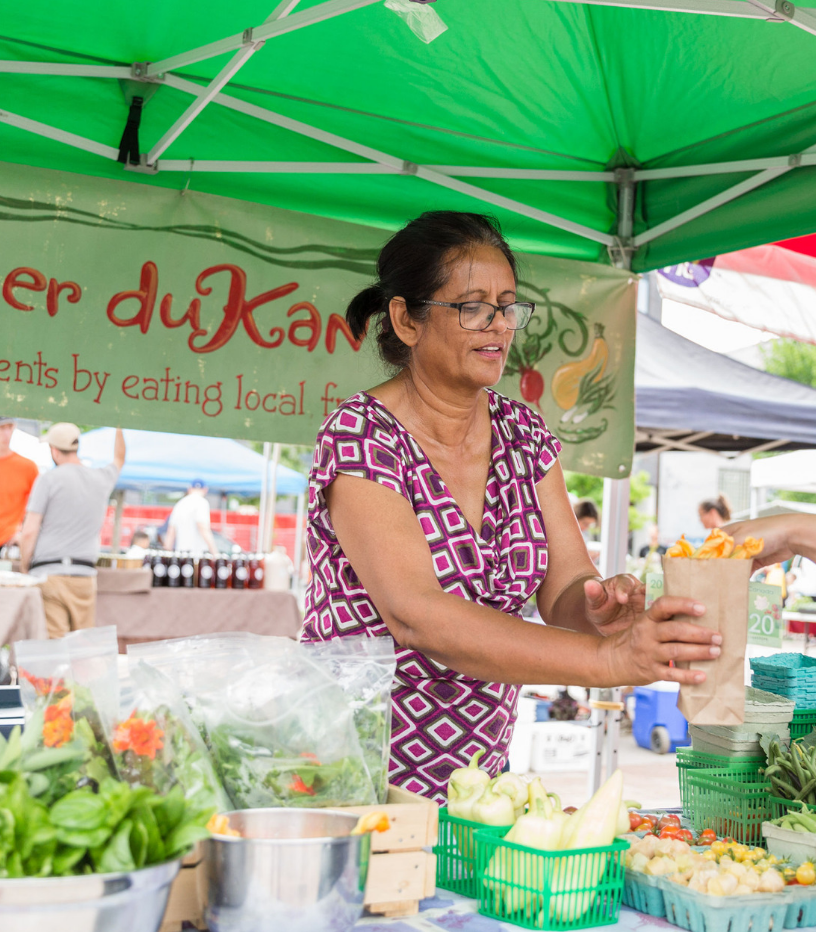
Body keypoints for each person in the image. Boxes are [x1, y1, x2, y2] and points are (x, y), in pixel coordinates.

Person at [300, 210, 720, 801]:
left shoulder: (523, 432)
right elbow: (416, 614)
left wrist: (600, 609)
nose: (499, 325)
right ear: (406, 319)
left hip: (478, 774)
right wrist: (606, 661)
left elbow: (566, 585)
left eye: (508, 306)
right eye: (473, 306)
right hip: (354, 770)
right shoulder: (361, 435)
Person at [19, 423, 126, 638]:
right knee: (82, 648)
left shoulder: (48, 479)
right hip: (85, 577)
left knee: (54, 649)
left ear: (54, 451)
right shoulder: (100, 478)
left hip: (49, 575)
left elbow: (29, 531)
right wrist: (119, 425)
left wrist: (24, 567)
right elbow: (119, 459)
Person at [0, 416, 39, 549]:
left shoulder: (27, 467)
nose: (6, 434)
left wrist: (23, 531)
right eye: (1, 428)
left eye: (9, 427)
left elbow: (40, 506)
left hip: (10, 543)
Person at [164, 480, 218, 557]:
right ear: (205, 489)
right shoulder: (202, 503)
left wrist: (167, 554)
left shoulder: (180, 504)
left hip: (181, 554)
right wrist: (215, 553)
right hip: (197, 555)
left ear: (189, 489)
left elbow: (170, 532)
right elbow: (203, 528)